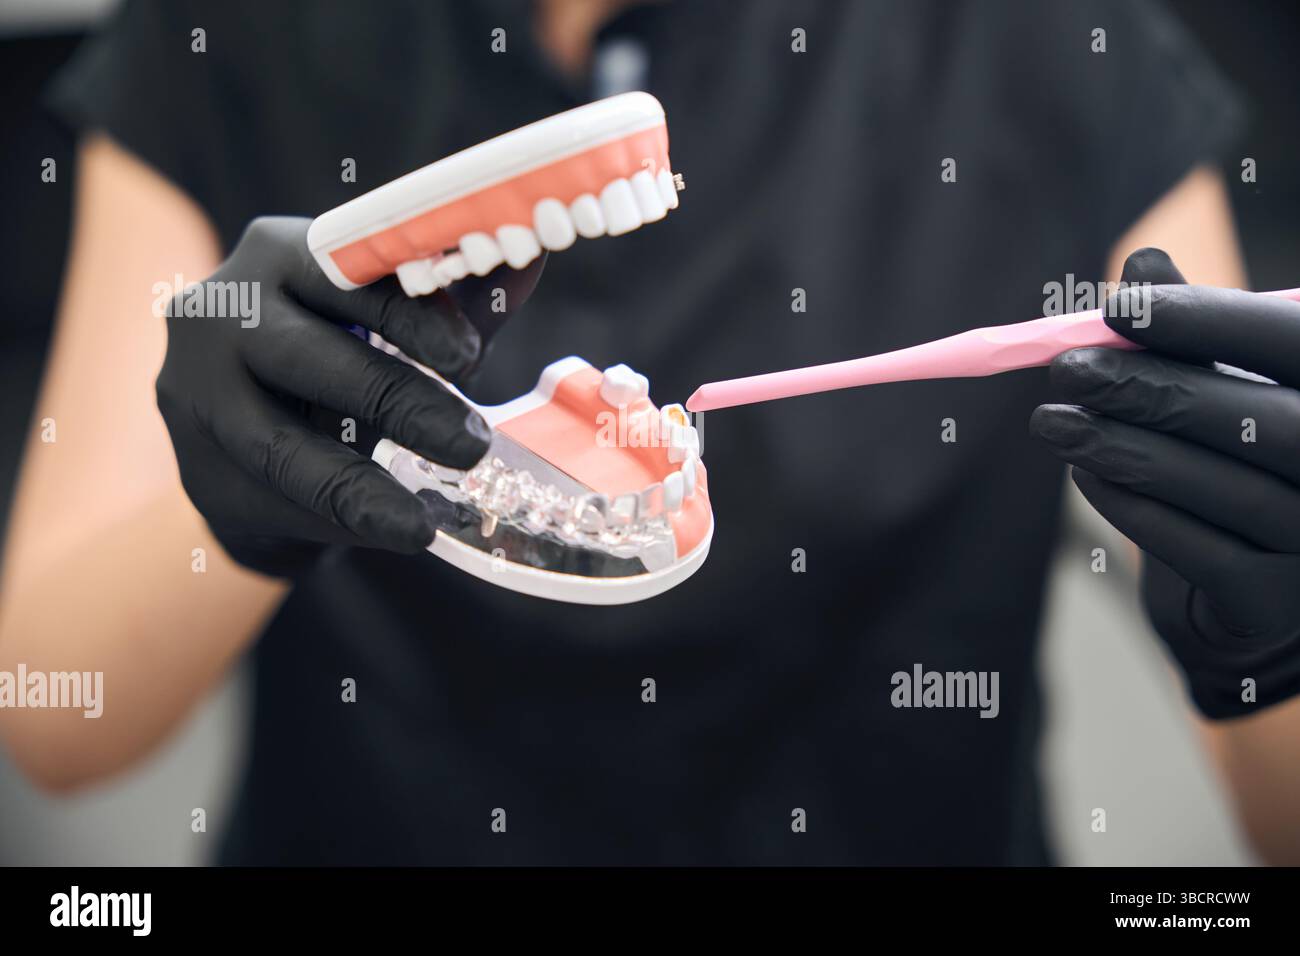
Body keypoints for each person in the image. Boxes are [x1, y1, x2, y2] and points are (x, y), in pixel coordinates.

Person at [2, 0, 1298, 864]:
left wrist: (1272, 642)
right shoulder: (231, 38)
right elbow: (56, 717)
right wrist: (243, 490)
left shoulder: (1052, 42)